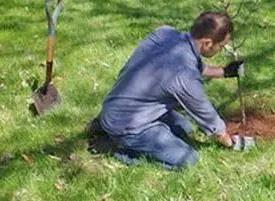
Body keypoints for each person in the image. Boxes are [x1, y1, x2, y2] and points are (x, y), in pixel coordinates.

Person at [90, 11, 243, 169]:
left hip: (117, 107)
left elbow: (190, 64)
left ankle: (104, 126)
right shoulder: (184, 76)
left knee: (185, 128)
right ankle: (115, 148)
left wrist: (224, 72)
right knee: (188, 160)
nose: (221, 50)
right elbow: (205, 113)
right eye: (221, 46)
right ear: (207, 43)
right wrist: (229, 141)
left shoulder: (165, 34)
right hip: (129, 126)